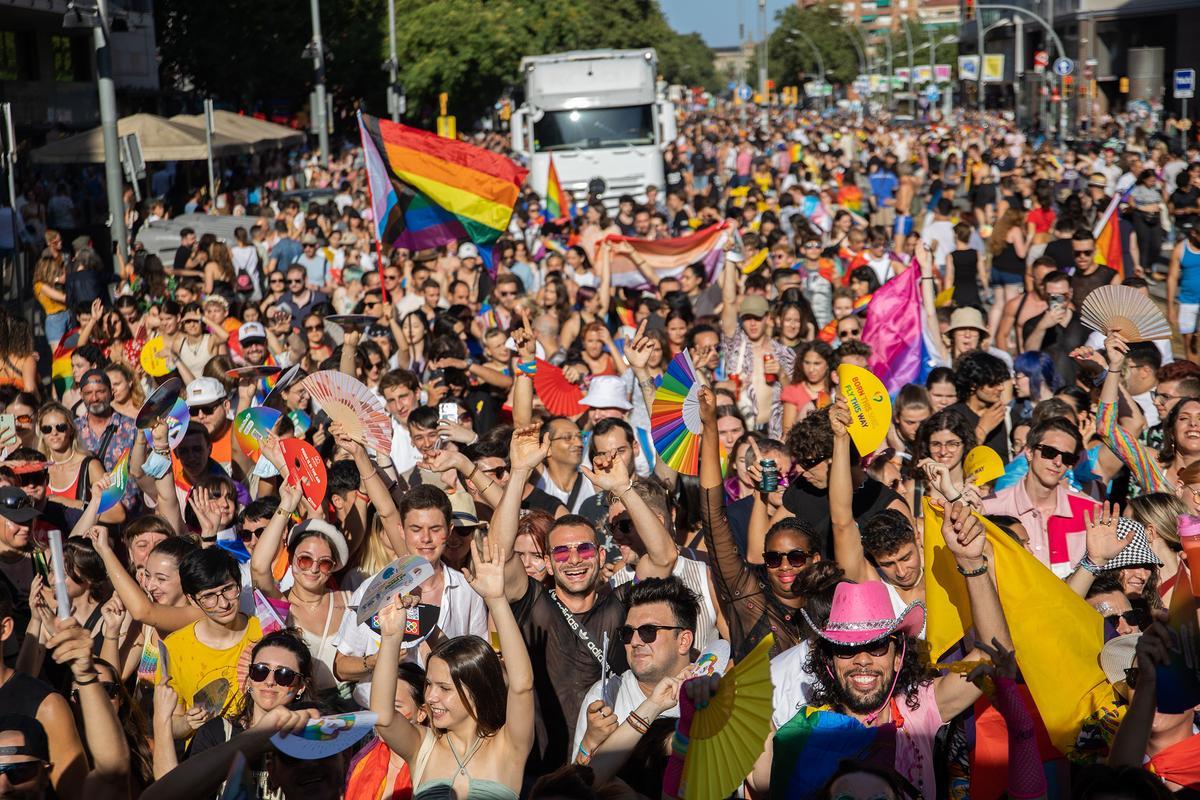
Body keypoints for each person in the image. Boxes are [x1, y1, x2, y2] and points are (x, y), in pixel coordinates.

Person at [369, 535, 534, 800]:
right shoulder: (422, 746)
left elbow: (522, 685)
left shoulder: (509, 745)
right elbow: (382, 715)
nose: (431, 697)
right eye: (429, 685)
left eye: (444, 687)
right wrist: (390, 638)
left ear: (477, 689)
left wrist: (497, 601)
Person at [570, 576, 698, 759]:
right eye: (628, 632)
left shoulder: (713, 693)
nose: (635, 642)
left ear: (683, 641)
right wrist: (589, 743)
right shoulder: (605, 696)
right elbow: (572, 785)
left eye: (649, 631)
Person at [162, 547, 262, 739]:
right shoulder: (174, 647)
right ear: (192, 600)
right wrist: (187, 723)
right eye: (208, 597)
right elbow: (168, 724)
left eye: (228, 589)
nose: (223, 603)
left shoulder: (264, 632)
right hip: (206, 757)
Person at [981, 417, 1098, 577]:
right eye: (1050, 452)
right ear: (1029, 452)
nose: (1058, 462)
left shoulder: (1091, 512)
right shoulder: (989, 508)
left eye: (1067, 458)